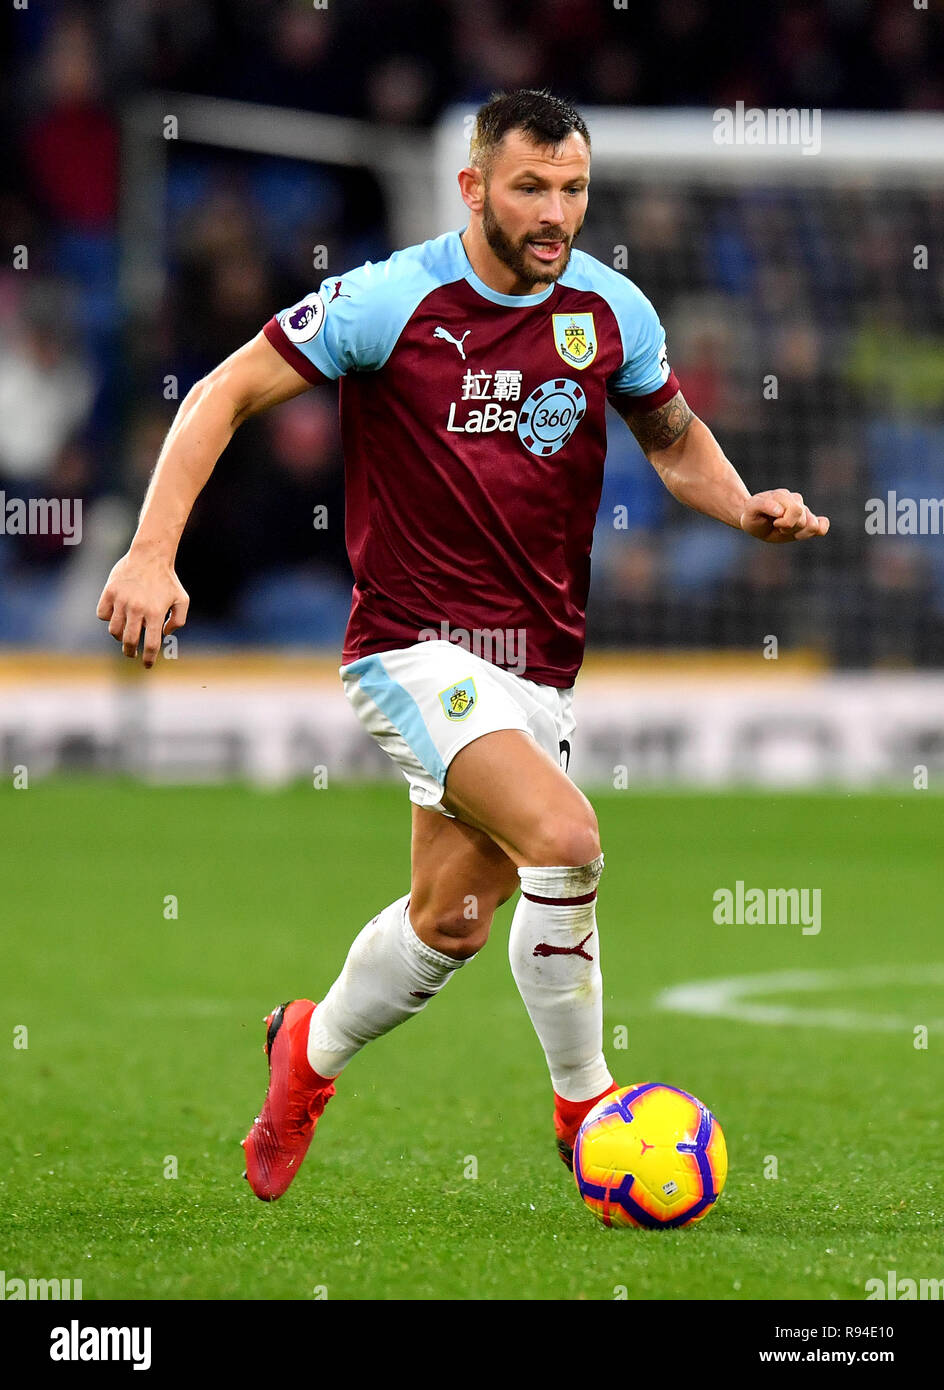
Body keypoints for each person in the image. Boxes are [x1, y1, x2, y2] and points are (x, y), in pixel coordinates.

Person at [96, 89, 829, 1202]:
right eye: (530, 187)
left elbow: (673, 444)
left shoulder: (609, 311)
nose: (554, 213)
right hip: (410, 646)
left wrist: (742, 506)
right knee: (566, 840)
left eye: (572, 188)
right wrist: (151, 552)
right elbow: (220, 393)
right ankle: (587, 1109)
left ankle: (306, 1052)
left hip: (537, 665)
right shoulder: (391, 299)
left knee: (449, 921)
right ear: (473, 186)